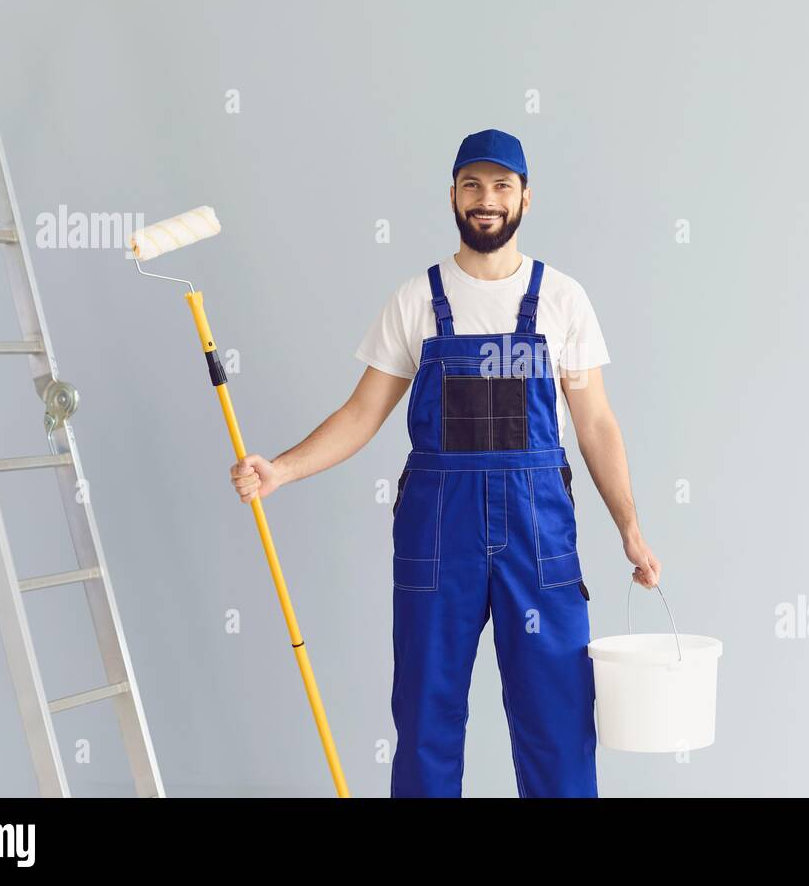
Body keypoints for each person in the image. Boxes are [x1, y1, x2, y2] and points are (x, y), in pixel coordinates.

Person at [229, 128, 661, 797]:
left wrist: (629, 527)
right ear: (453, 196)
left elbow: (596, 422)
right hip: (439, 538)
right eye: (472, 185)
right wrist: (280, 469)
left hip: (537, 539)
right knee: (427, 722)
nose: (485, 200)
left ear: (525, 196)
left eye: (500, 186)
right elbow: (360, 414)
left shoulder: (563, 299)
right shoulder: (414, 299)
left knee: (558, 718)